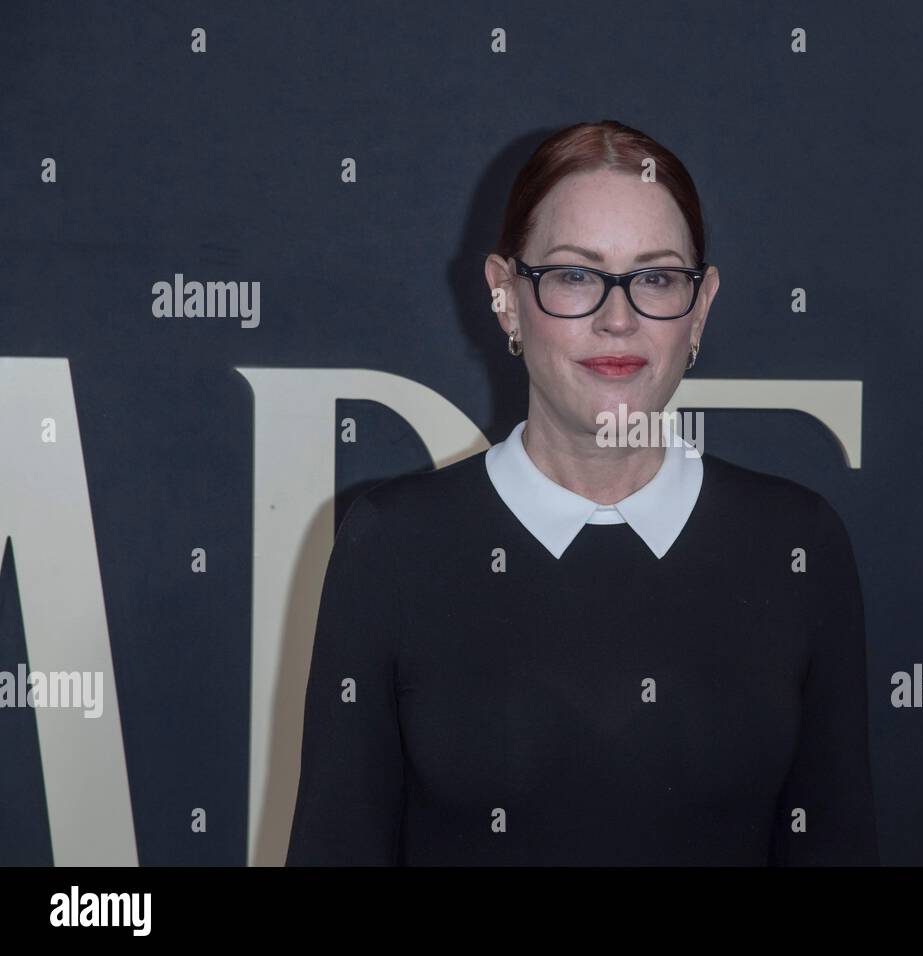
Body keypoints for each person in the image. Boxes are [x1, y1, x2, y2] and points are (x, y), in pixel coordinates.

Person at [285, 119, 878, 865]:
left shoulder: (798, 545)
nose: (618, 317)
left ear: (702, 306)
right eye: (576, 275)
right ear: (505, 296)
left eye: (657, 277)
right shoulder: (391, 547)